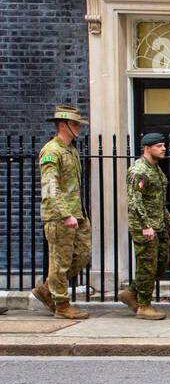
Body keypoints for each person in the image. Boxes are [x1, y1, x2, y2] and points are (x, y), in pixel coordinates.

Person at [32, 105, 91, 320]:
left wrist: (76, 214)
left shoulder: (71, 150)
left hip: (78, 213)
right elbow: (49, 186)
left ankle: (47, 289)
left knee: (83, 254)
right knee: (60, 261)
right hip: (60, 216)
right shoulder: (51, 151)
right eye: (75, 124)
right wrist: (65, 214)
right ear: (62, 124)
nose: (78, 128)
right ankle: (62, 305)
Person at [120, 132, 170, 320]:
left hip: (158, 224)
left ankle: (131, 292)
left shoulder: (155, 169)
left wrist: (168, 219)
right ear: (147, 148)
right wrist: (145, 225)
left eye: (163, 145)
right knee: (146, 266)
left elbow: (157, 200)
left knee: (161, 263)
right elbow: (135, 201)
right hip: (145, 227)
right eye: (159, 146)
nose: (163, 148)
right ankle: (144, 305)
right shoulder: (139, 171)